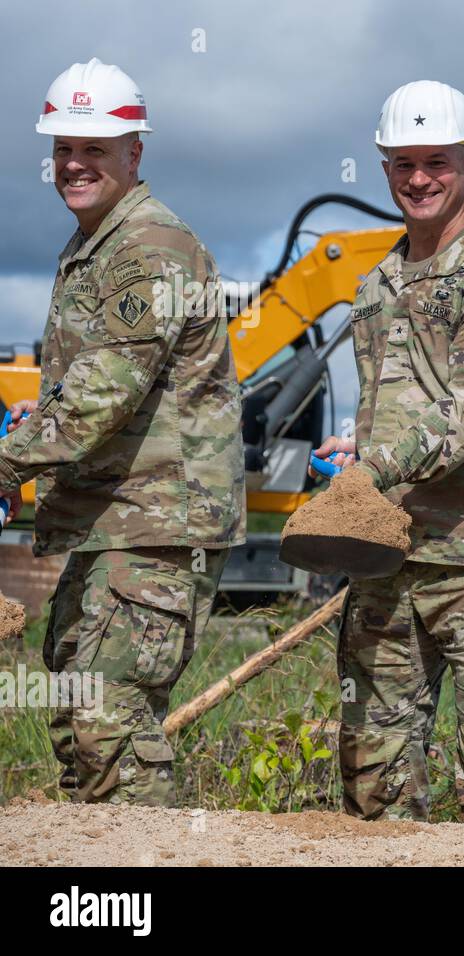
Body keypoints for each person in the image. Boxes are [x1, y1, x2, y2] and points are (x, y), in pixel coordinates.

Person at [0, 58, 245, 805]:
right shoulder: (92, 249)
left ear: (134, 152)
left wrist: (6, 464)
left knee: (112, 727)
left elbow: (99, 399)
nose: (74, 164)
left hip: (155, 527)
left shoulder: (149, 248)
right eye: (64, 149)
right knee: (79, 725)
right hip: (107, 527)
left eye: (94, 149)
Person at [313, 81, 464, 824]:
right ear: (384, 167)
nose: (418, 179)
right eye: (402, 163)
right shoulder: (375, 285)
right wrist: (356, 444)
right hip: (386, 559)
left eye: (436, 162)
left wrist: (368, 473)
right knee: (374, 779)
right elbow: (400, 405)